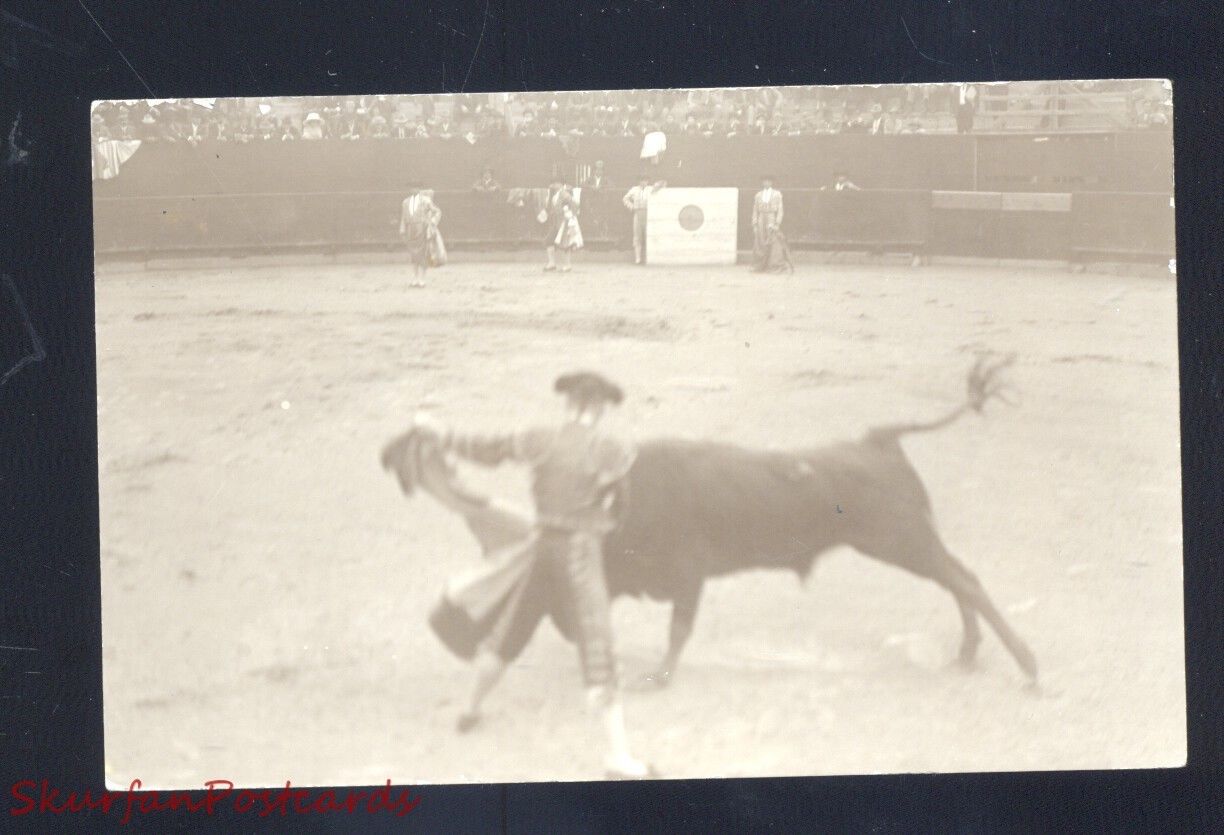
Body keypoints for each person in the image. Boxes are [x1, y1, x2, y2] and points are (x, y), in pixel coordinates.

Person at [413, 372, 653, 779]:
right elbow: (621, 508)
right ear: (600, 407)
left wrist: (444, 436)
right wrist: (600, 523)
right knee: (597, 646)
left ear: (569, 403)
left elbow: (489, 449)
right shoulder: (610, 449)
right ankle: (617, 757)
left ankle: (469, 709)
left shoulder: (540, 438)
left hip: (541, 548)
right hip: (579, 556)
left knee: (511, 630)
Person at [400, 184, 442, 281]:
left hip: (422, 229)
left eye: (416, 188)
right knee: (414, 255)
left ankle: (422, 279)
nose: (414, 190)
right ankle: (415, 277)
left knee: (423, 254)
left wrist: (432, 222)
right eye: (412, 188)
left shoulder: (426, 200)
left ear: (419, 189)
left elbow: (437, 211)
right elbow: (403, 217)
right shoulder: (405, 202)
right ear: (410, 189)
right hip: (411, 229)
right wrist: (402, 229)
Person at [622, 174, 664, 265]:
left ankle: (649, 257)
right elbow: (625, 198)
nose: (643, 182)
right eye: (642, 180)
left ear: (648, 181)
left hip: (649, 214)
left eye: (645, 180)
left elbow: (662, 186)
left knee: (649, 236)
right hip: (637, 213)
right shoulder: (634, 189)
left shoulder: (650, 189)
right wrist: (631, 207)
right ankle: (638, 258)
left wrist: (658, 184)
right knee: (637, 236)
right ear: (639, 181)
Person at [542, 178, 581, 273]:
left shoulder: (564, 193)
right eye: (552, 184)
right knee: (549, 241)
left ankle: (567, 265)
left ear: (559, 184)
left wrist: (569, 213)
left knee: (565, 243)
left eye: (554, 183)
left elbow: (575, 204)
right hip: (557, 222)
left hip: (565, 222)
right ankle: (552, 263)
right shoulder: (555, 193)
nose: (552, 186)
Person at [751, 175, 784, 271]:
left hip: (771, 217)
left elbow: (780, 210)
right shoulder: (758, 195)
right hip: (761, 217)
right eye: (765, 181)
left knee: (773, 240)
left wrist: (777, 223)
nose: (766, 183)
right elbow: (755, 210)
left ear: (771, 183)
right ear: (762, 183)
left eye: (768, 181)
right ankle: (759, 265)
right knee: (760, 241)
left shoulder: (777, 194)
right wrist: (754, 223)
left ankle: (775, 265)